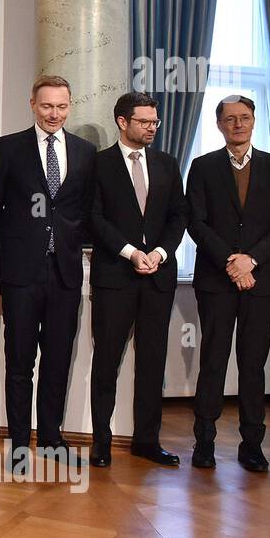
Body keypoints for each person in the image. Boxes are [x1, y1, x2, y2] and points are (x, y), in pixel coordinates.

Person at [0, 75, 96, 466]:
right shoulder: (8, 148)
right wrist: (3, 259)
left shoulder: (85, 151)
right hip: (20, 274)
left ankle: (51, 437)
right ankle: (18, 443)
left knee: (58, 359)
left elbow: (85, 211)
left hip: (65, 272)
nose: (54, 114)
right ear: (32, 103)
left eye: (62, 106)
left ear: (70, 105)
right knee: (19, 362)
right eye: (47, 106)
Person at [186, 95, 270, 472]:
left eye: (244, 117)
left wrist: (252, 259)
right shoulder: (202, 167)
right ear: (219, 124)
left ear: (253, 121)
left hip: (261, 281)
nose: (238, 124)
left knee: (253, 364)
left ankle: (252, 445)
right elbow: (196, 222)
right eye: (230, 119)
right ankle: (204, 442)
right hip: (216, 280)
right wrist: (232, 262)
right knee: (213, 361)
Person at [88, 92, 187, 468]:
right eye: (145, 122)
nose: (152, 128)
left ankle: (148, 441)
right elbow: (94, 218)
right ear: (122, 121)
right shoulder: (98, 164)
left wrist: (160, 253)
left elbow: (179, 216)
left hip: (158, 277)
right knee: (107, 361)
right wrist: (131, 252)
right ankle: (101, 441)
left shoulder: (167, 163)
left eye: (155, 122)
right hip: (115, 275)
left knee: (152, 362)